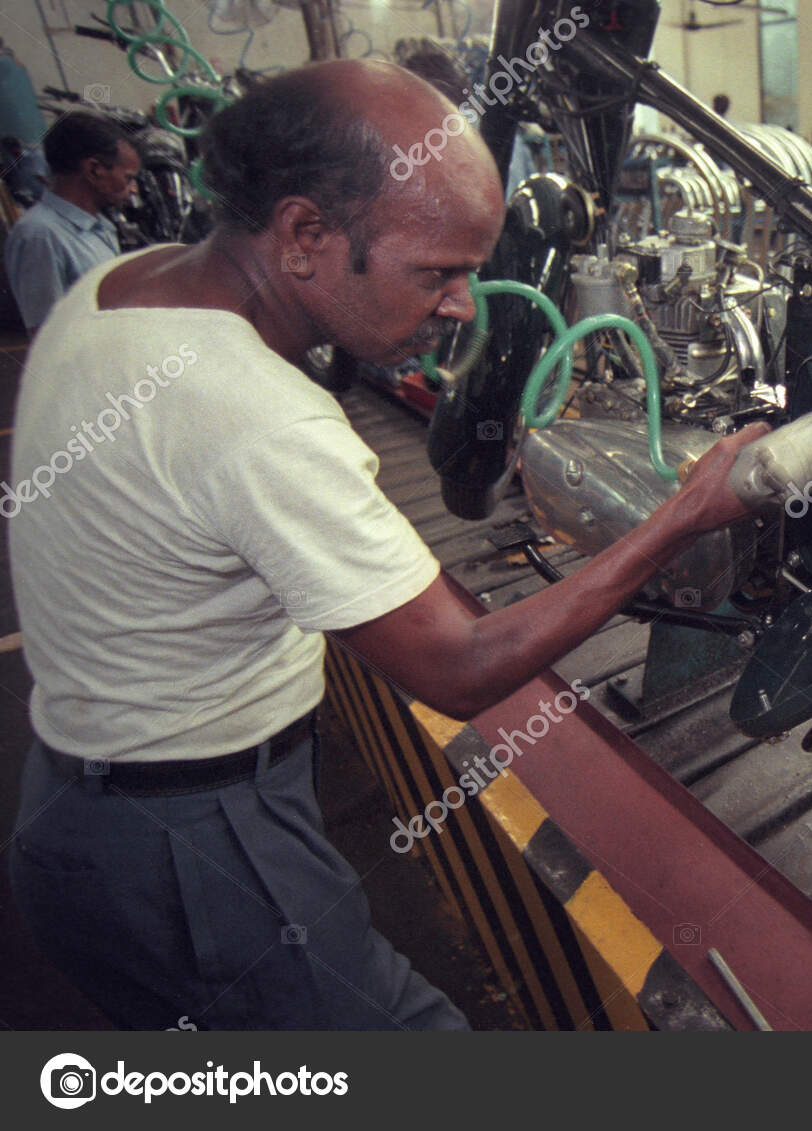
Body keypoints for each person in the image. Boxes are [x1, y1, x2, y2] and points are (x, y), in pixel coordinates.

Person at [6, 59, 765, 1030]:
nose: (460, 305)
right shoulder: (254, 415)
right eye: (435, 273)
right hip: (195, 843)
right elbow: (462, 665)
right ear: (304, 235)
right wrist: (683, 515)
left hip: (80, 807)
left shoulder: (122, 285)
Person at [3, 109, 139, 332]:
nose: (133, 189)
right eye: (128, 177)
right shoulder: (39, 235)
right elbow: (45, 335)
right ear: (94, 170)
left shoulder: (101, 227)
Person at [1, 135, 50, 206]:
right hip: (32, 201)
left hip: (45, 199)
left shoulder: (33, 156)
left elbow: (43, 178)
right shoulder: (13, 164)